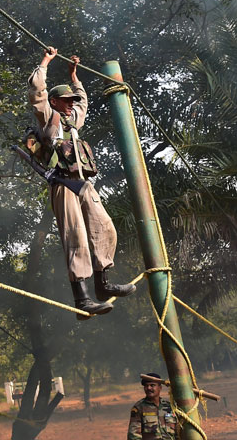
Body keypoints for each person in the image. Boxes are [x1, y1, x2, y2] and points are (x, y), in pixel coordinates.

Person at [27, 47, 135, 318]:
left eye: (71, 100)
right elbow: (37, 89)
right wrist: (46, 61)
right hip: (63, 184)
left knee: (103, 226)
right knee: (75, 236)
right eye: (66, 100)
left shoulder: (73, 121)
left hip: (83, 183)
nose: (71, 103)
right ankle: (82, 300)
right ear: (54, 102)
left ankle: (103, 284)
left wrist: (74, 76)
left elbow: (83, 101)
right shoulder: (47, 118)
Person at [128, 373, 178, 439]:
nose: (148, 388)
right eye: (146, 386)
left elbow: (179, 432)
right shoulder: (139, 408)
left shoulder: (170, 407)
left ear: (160, 388)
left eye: (152, 385)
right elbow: (134, 436)